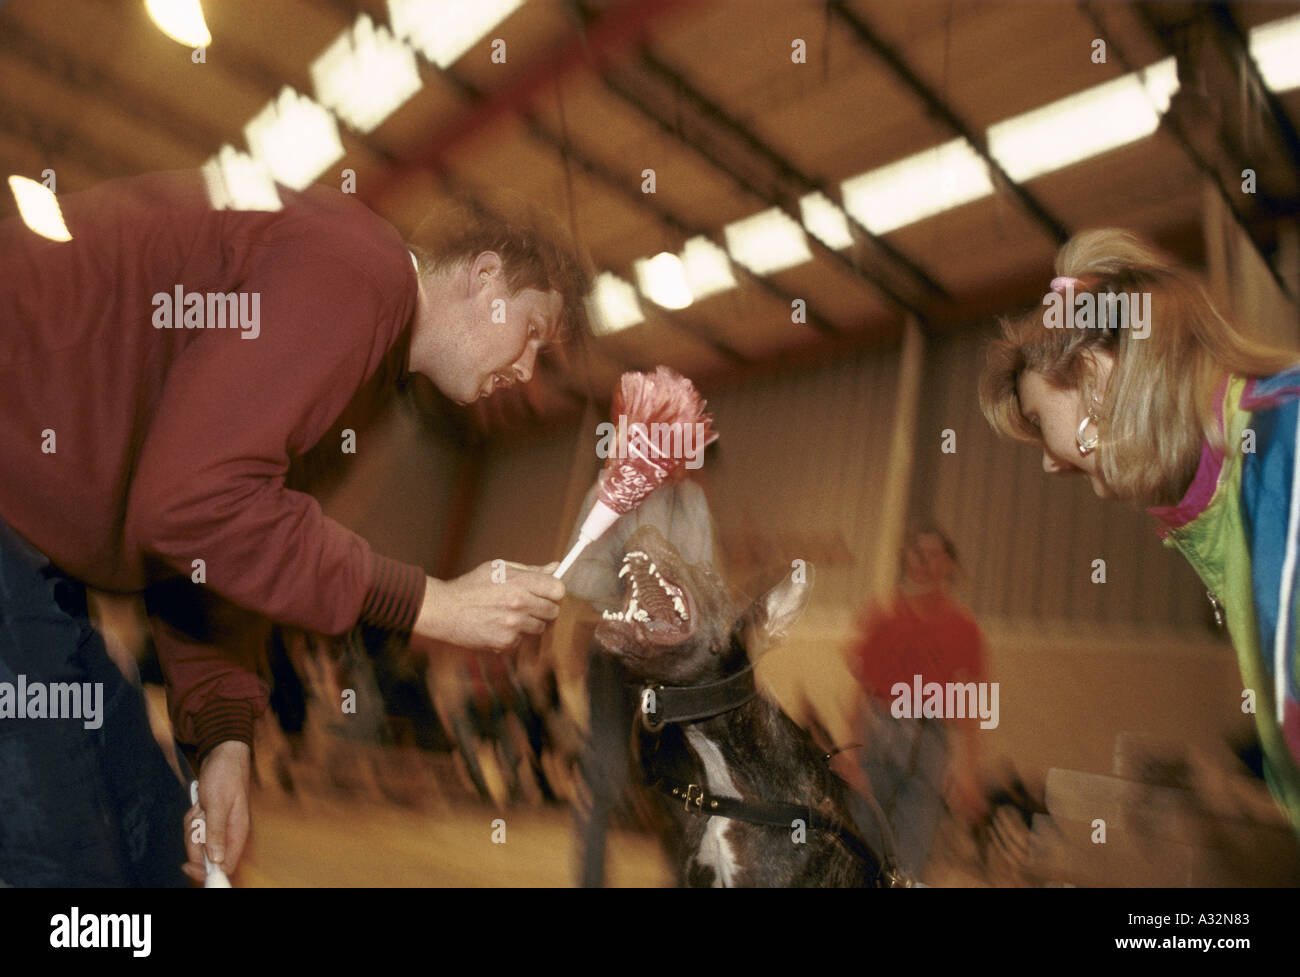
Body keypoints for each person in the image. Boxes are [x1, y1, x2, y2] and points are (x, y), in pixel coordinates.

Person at [0, 169, 587, 884]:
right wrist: (433, 600)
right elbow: (188, 505)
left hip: (32, 550)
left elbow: (208, 547)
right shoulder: (359, 273)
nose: (527, 370)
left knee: (153, 840)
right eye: (530, 334)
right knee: (68, 872)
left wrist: (223, 737)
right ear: (485, 276)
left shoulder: (364, 373)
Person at [979, 227, 1300, 836]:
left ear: (1097, 382)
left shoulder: (1286, 458)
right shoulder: (1239, 490)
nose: (1049, 464)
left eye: (1038, 421)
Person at [842, 524, 989, 881]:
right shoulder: (882, 616)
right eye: (915, 552)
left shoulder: (963, 627)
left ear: (949, 565)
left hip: (930, 740)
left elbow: (972, 700)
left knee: (913, 851)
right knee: (862, 842)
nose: (921, 560)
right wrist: (851, 756)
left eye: (932, 553)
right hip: (880, 733)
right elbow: (861, 692)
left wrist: (968, 770)